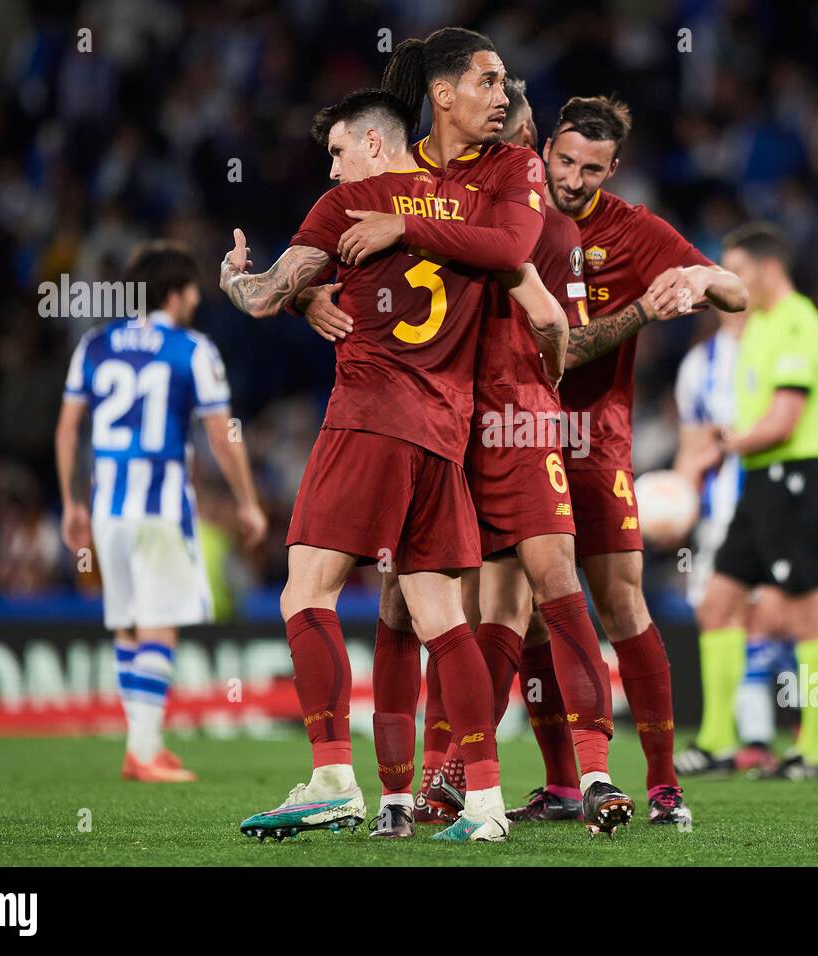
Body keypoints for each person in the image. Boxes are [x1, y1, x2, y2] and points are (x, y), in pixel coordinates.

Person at [223, 88, 563, 843]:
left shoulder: (355, 201)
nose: (334, 167)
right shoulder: (471, 212)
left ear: (376, 146)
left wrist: (240, 280)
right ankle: (482, 805)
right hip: (445, 440)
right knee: (444, 619)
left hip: (369, 420)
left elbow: (262, 295)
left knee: (305, 592)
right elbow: (544, 311)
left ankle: (333, 780)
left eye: (339, 151)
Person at [510, 94, 748, 824]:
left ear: (613, 171)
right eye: (566, 161)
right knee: (527, 620)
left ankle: (664, 786)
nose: (574, 178)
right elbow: (559, 343)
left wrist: (702, 280)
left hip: (593, 441)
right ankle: (559, 784)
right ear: (546, 147)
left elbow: (735, 292)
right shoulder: (511, 213)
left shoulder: (632, 230)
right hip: (518, 435)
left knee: (620, 604)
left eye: (593, 169)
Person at [55, 241, 267, 783]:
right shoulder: (191, 349)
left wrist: (70, 501)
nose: (197, 298)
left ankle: (141, 743)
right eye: (192, 289)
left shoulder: (94, 345)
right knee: (159, 624)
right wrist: (247, 501)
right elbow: (223, 434)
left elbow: (68, 427)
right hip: (161, 505)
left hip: (107, 507)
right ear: (174, 294)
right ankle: (144, 749)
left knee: (127, 625)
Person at [695, 222, 818, 781]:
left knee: (809, 615)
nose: (733, 282)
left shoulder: (799, 324)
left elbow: (783, 421)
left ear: (766, 268)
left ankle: (817, 751)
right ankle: (716, 741)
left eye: (737, 269)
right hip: (759, 484)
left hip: (792, 481)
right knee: (716, 603)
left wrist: (725, 443)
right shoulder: (756, 324)